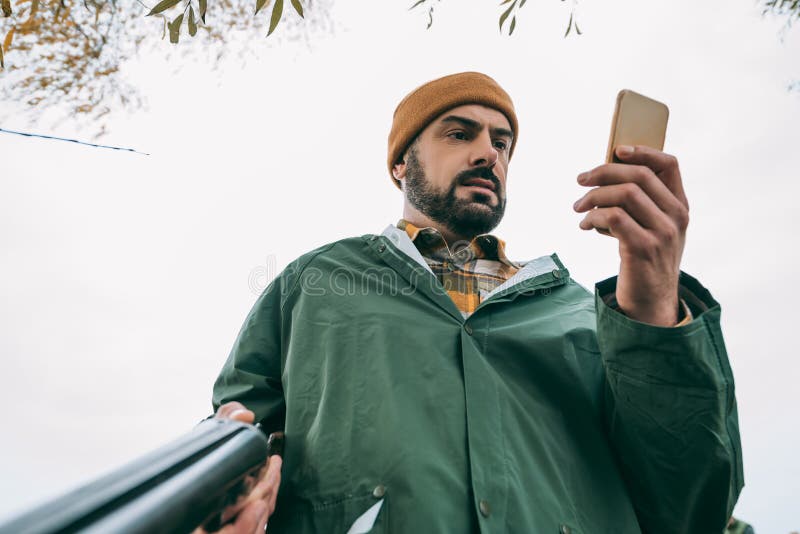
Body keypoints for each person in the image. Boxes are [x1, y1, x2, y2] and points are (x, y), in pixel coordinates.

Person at [209, 72, 743, 533]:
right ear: (400, 163)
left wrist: (653, 303)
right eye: (460, 133)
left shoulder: (590, 315)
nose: (489, 152)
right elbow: (236, 445)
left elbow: (689, 507)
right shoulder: (317, 283)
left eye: (502, 142)